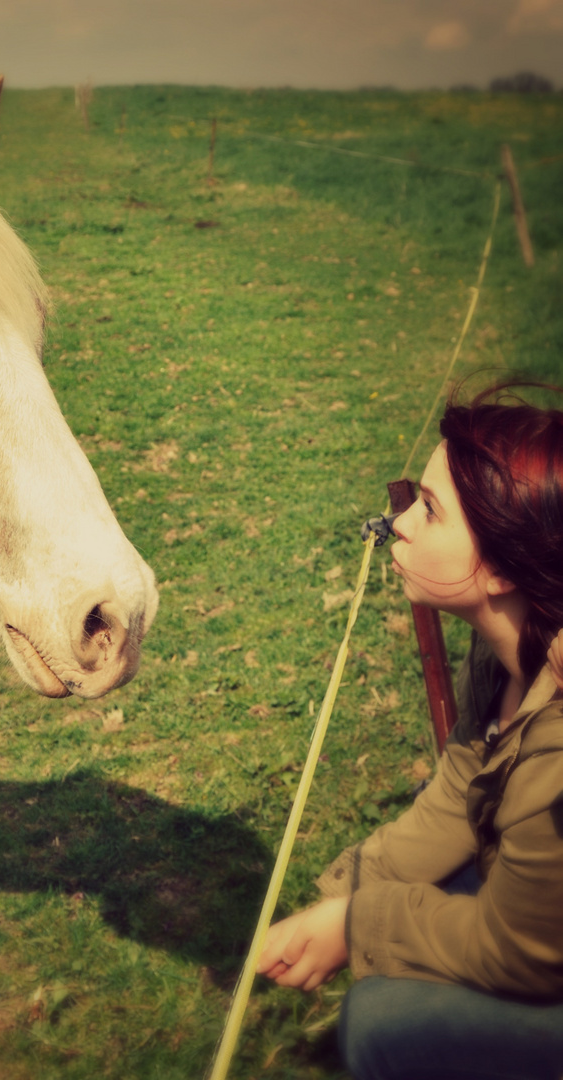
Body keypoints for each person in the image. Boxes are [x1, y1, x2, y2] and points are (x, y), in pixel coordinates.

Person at [256, 387, 563, 1080]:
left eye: (429, 509)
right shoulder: (507, 651)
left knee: (384, 1023)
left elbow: (521, 951)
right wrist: (340, 897)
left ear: (501, 567)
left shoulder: (558, 744)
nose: (398, 524)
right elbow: (458, 794)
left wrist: (358, 926)